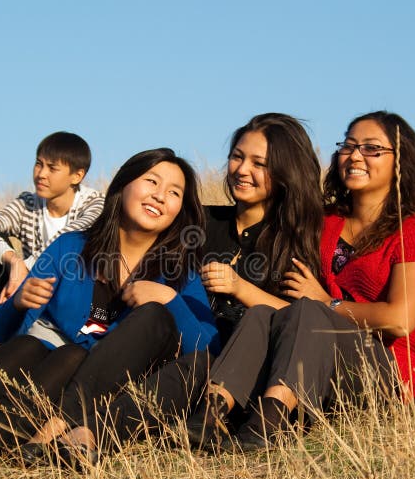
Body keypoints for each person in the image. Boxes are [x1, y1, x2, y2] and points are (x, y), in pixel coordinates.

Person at [0, 148, 218, 479]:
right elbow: (2, 334)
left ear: (180, 209)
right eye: (151, 182)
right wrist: (17, 305)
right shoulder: (72, 246)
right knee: (28, 348)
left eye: (174, 193)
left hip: (106, 388)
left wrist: (169, 299)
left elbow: (207, 348)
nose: (160, 196)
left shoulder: (181, 269)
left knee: (71, 354)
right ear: (123, 185)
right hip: (49, 366)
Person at [56, 113, 325, 461]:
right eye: (238, 157)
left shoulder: (294, 242)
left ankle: (93, 431)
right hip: (168, 348)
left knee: (198, 365)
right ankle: (67, 422)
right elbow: (134, 265)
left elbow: (300, 326)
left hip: (240, 376)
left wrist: (241, 288)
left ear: (286, 172)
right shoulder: (200, 224)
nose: (243, 169)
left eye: (260, 163)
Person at [188, 110, 415, 452]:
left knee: (308, 310)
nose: (354, 156)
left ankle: (269, 420)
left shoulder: (412, 230)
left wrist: (328, 304)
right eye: (348, 146)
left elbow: (400, 320)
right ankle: (211, 412)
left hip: (387, 371)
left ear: (402, 161)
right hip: (321, 358)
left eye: (371, 149)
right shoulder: (326, 223)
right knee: (263, 314)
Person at [0, 131, 104, 325]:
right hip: (29, 285)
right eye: (38, 164)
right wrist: (14, 262)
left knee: (68, 251)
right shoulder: (28, 203)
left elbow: (61, 243)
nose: (41, 174)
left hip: (71, 290)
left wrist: (25, 270)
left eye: (52, 168)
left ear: (77, 175)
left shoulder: (95, 204)